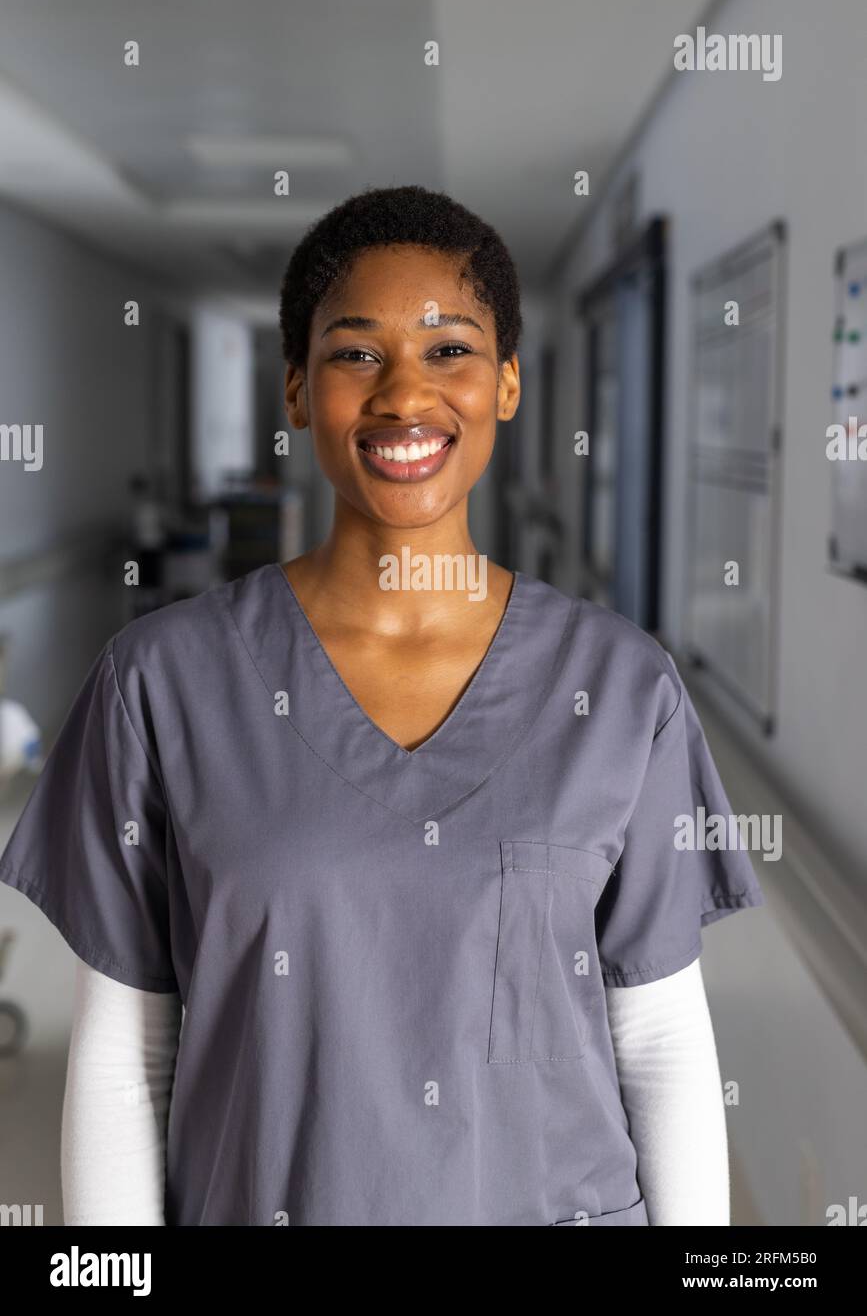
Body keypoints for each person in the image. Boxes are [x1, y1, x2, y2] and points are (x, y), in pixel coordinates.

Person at [0, 185, 764, 1226]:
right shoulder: (161, 683)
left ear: (506, 384)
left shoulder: (622, 691)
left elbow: (661, 1042)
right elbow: (129, 1056)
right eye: (357, 352)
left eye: (449, 349)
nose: (406, 394)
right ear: (297, 390)